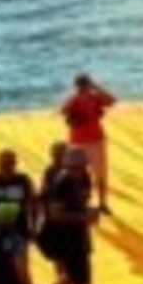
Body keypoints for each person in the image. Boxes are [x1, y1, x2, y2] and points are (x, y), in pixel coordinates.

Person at [37, 147, 102, 284]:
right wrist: (84, 216)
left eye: (79, 167)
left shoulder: (83, 178)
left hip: (76, 234)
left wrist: (86, 214)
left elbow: (81, 202)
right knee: (75, 276)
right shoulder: (62, 182)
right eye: (74, 167)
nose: (77, 170)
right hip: (63, 237)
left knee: (78, 278)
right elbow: (55, 214)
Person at [60, 74, 117, 215]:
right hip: (78, 141)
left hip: (96, 139)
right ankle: (81, 202)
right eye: (81, 85)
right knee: (78, 173)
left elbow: (112, 101)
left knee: (101, 173)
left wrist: (96, 88)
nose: (83, 88)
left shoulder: (94, 97)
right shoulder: (73, 99)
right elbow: (63, 110)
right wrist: (76, 97)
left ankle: (102, 202)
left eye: (85, 85)